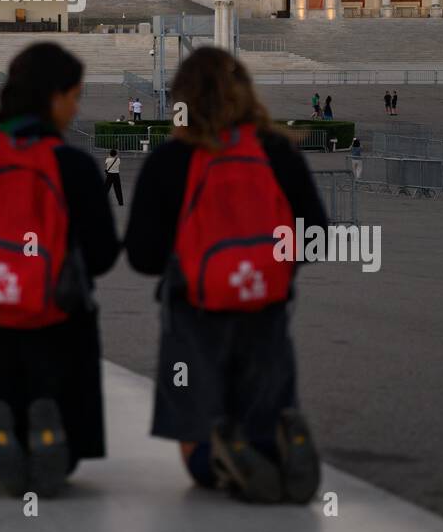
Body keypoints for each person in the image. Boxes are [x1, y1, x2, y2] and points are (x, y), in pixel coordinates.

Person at [125, 46, 325, 505]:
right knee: (266, 408)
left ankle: (217, 455)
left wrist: (195, 260)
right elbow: (315, 232)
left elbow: (142, 255)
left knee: (196, 437)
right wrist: (269, 267)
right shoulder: (277, 151)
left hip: (194, 311)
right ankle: (278, 442)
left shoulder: (171, 160)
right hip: (266, 307)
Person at [0, 43, 119, 498]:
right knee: (62, 458)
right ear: (54, 97)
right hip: (56, 324)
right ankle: (47, 422)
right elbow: (104, 253)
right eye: (74, 96)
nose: (75, 107)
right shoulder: (72, 165)